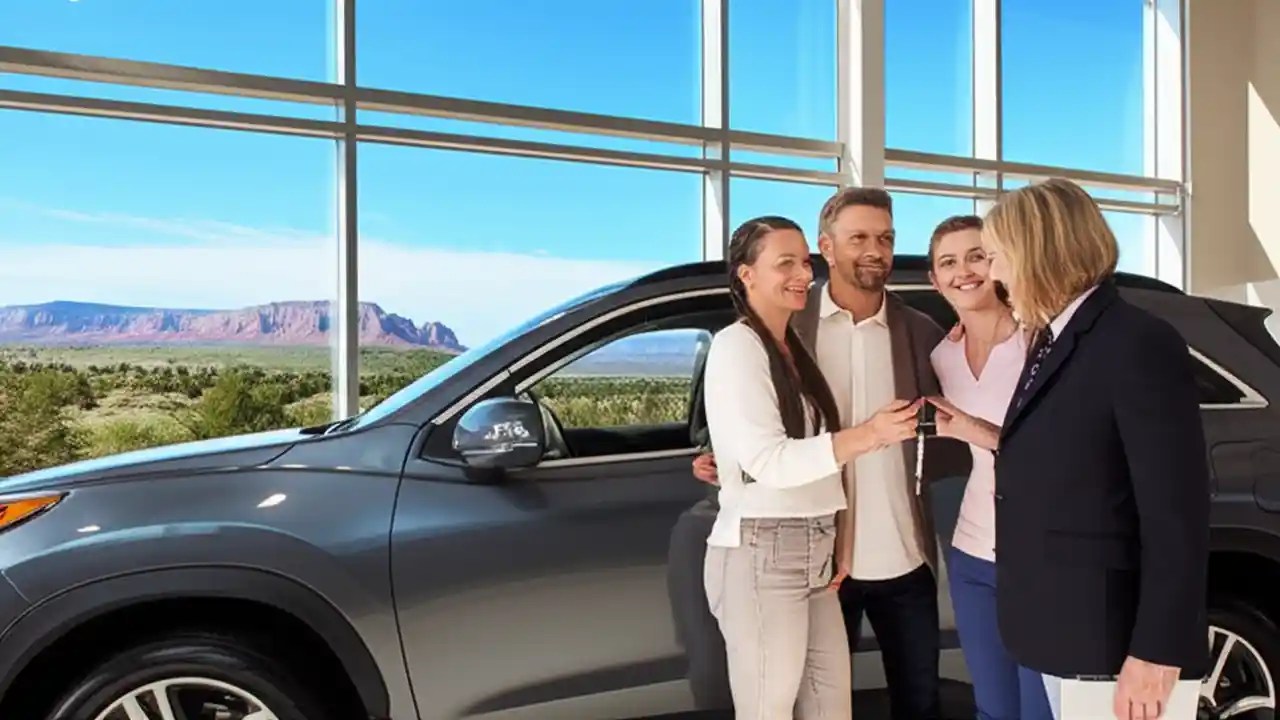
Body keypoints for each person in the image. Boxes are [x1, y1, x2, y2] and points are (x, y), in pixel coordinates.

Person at [928, 178, 1211, 720]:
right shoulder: (1053, 339)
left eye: (996, 255)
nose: (994, 274)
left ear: (1037, 251)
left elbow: (1176, 516)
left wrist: (1156, 650)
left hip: (1103, 637)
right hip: (1058, 624)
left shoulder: (1134, 341)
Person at [695, 188, 971, 720]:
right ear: (829, 246)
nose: (875, 250)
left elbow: (966, 409)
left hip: (875, 552)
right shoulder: (784, 330)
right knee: (777, 706)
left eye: (885, 238)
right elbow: (760, 438)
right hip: (793, 552)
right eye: (859, 237)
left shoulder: (918, 333)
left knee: (893, 704)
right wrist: (724, 456)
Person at [925, 215, 1053, 720]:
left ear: (998, 262)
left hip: (1041, 553)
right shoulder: (943, 355)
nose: (964, 271)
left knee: (1041, 710)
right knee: (993, 710)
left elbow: (1068, 454)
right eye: (948, 262)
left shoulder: (1039, 342)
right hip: (972, 555)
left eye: (976, 256)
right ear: (935, 279)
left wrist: (977, 430)